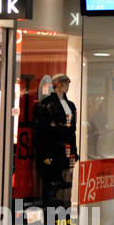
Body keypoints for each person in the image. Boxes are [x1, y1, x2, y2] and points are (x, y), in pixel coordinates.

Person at [34, 73, 78, 210]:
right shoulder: (47, 105)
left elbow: (72, 131)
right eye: (66, 83)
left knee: (66, 187)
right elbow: (43, 133)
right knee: (52, 187)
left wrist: (74, 152)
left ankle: (64, 217)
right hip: (53, 152)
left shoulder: (70, 105)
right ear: (59, 84)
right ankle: (50, 221)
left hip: (67, 151)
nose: (68, 86)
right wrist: (46, 156)